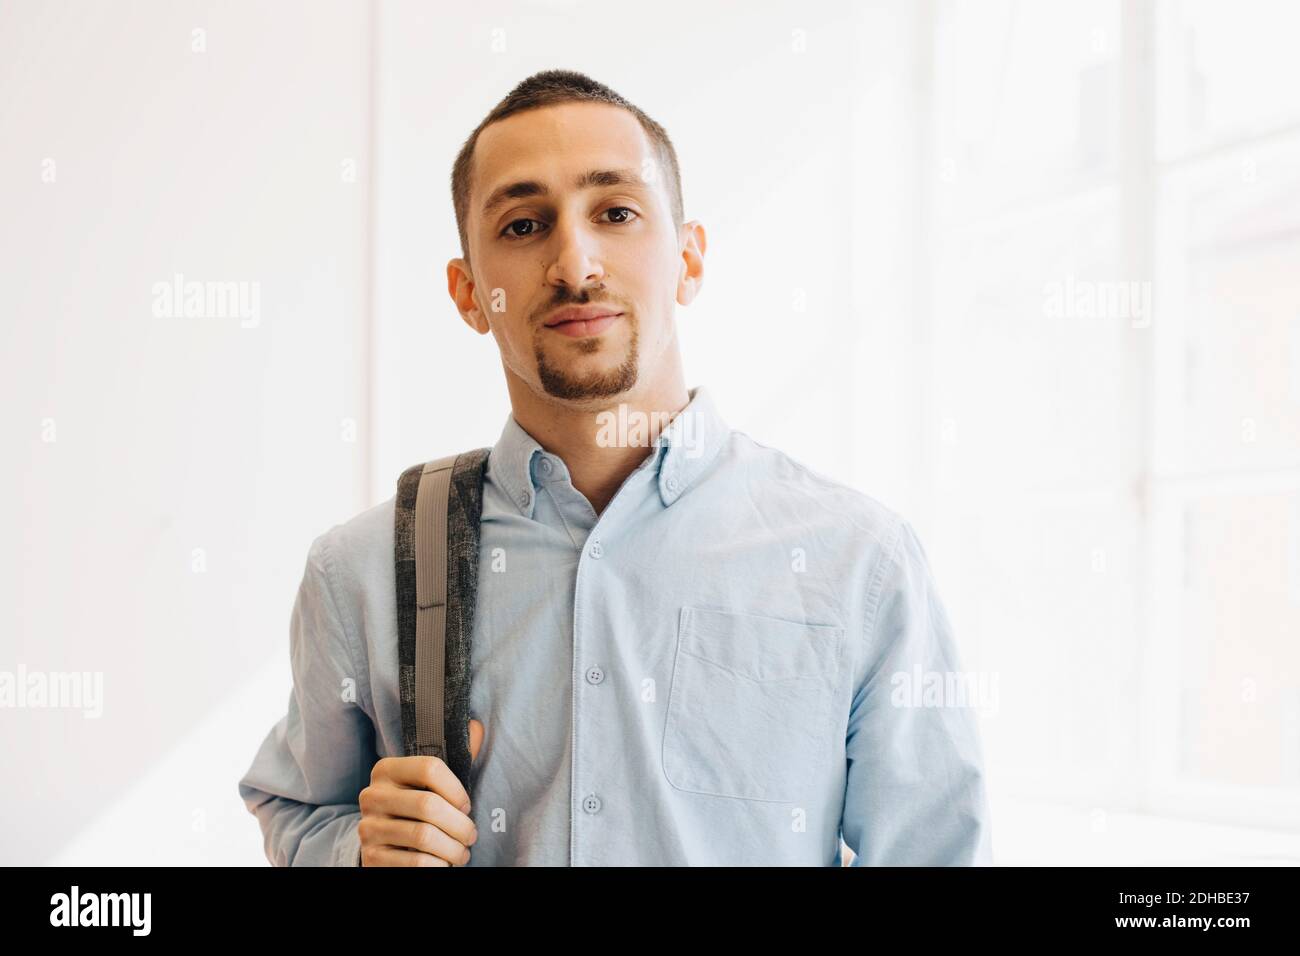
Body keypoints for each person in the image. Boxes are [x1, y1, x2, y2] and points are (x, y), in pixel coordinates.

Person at [238, 69, 993, 866]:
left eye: (617, 213)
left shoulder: (858, 561)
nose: (575, 264)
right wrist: (356, 853)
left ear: (687, 259)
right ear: (468, 292)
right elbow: (297, 807)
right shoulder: (359, 572)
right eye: (524, 225)